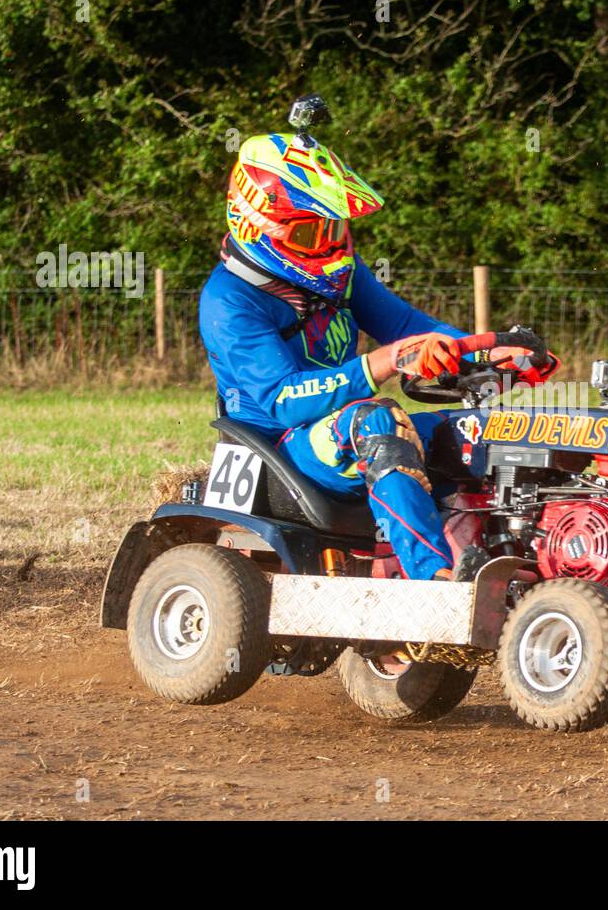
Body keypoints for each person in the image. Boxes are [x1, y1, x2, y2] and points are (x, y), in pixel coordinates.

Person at [198, 126, 471, 580]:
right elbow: (284, 400)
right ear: (254, 221)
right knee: (378, 420)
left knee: (469, 432)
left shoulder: (340, 274)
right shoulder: (229, 301)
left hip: (342, 429)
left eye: (334, 227)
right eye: (310, 233)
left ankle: (505, 556)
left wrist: (484, 350)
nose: (326, 244)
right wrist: (384, 362)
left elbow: (405, 326)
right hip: (283, 448)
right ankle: (434, 583)